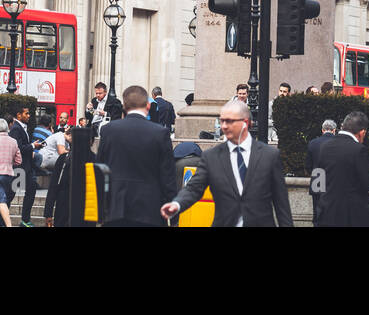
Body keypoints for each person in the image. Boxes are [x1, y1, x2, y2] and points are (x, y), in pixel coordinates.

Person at [160, 99, 293, 227]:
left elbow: (281, 203)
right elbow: (193, 188)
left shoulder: (269, 156)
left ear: (245, 123)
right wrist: (177, 204)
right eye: (222, 121)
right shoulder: (211, 157)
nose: (224, 126)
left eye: (229, 121)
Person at [95, 85, 176, 226]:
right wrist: (174, 215)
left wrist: (100, 211)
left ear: (124, 106)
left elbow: (100, 171)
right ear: (148, 105)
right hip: (150, 211)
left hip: (116, 210)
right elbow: (168, 177)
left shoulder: (109, 131)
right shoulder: (160, 133)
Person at [314, 110, 369, 227]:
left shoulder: (324, 147)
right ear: (362, 132)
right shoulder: (359, 150)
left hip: (327, 212)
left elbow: (317, 182)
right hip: (353, 215)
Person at [7, 104, 38, 227]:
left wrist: (32, 147)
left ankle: (25, 220)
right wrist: (33, 146)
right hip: (19, 167)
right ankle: (2, 222)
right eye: (26, 113)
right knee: (10, 194)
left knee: (31, 189)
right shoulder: (15, 128)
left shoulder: (23, 127)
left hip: (26, 167)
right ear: (19, 115)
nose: (29, 116)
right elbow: (18, 148)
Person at [306, 119, 337, 225]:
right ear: (334, 130)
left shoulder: (313, 143)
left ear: (322, 130)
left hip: (317, 178)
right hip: (334, 181)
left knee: (317, 213)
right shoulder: (339, 143)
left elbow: (308, 165)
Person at [42, 127, 74, 227]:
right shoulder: (92, 158)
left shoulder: (64, 158)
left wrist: (48, 213)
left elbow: (53, 186)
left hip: (63, 204)